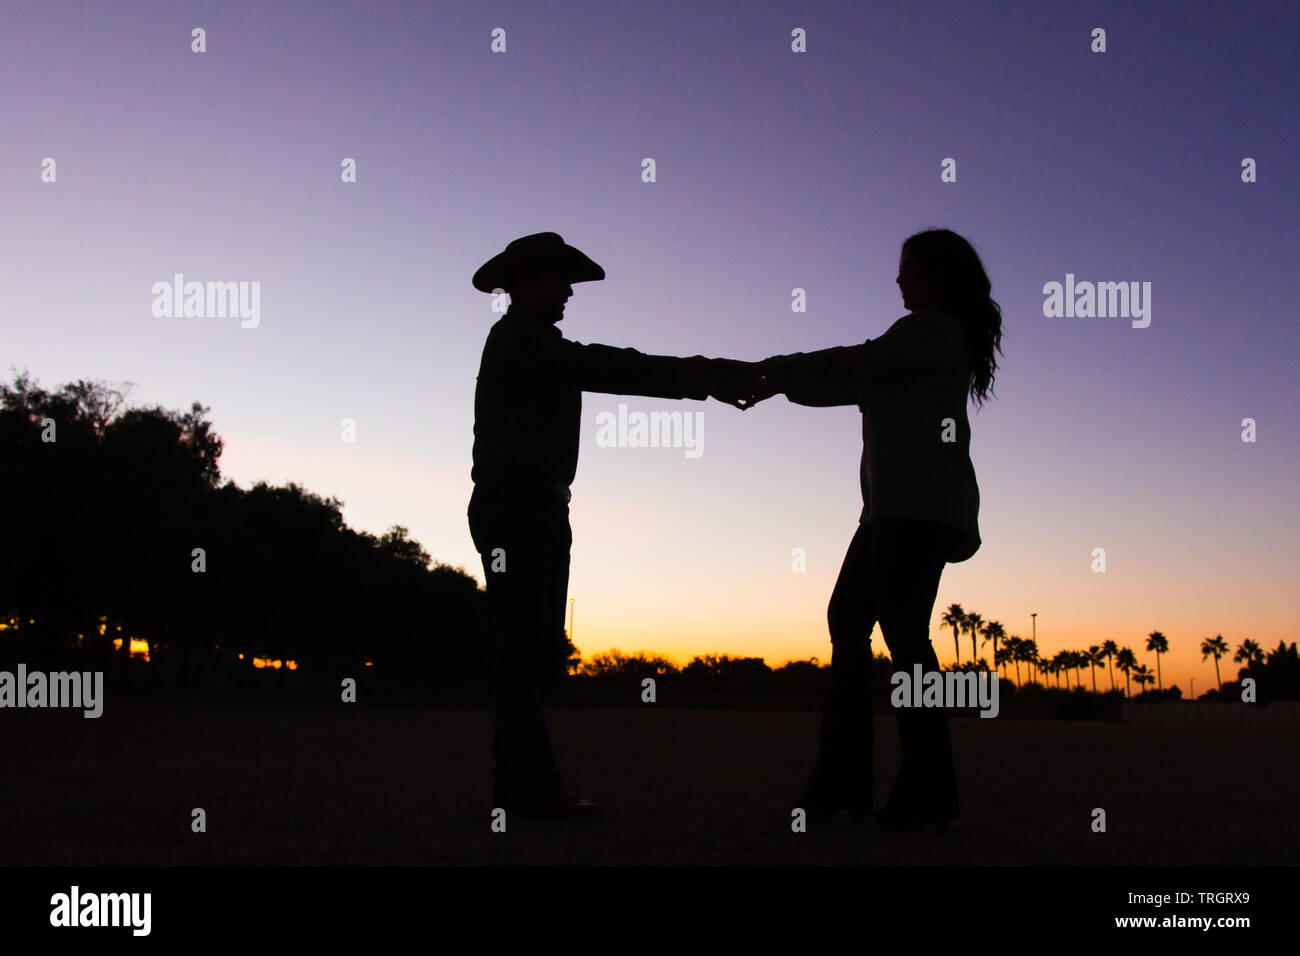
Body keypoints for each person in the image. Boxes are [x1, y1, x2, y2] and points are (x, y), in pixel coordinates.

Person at [468, 232, 753, 821]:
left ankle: (520, 785)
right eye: (559, 278)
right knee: (523, 647)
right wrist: (698, 375)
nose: (570, 290)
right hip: (517, 509)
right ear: (525, 282)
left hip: (534, 507)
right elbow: (604, 366)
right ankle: (529, 789)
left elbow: (596, 364)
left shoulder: (531, 342)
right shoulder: (521, 341)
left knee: (529, 647)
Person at [746, 228, 1003, 831]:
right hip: (894, 511)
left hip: (914, 510)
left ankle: (912, 792)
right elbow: (836, 385)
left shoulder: (932, 332)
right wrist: (774, 384)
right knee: (863, 627)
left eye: (910, 268)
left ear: (940, 274)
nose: (899, 278)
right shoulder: (910, 349)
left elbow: (850, 360)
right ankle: (857, 785)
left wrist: (765, 369)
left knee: (901, 638)